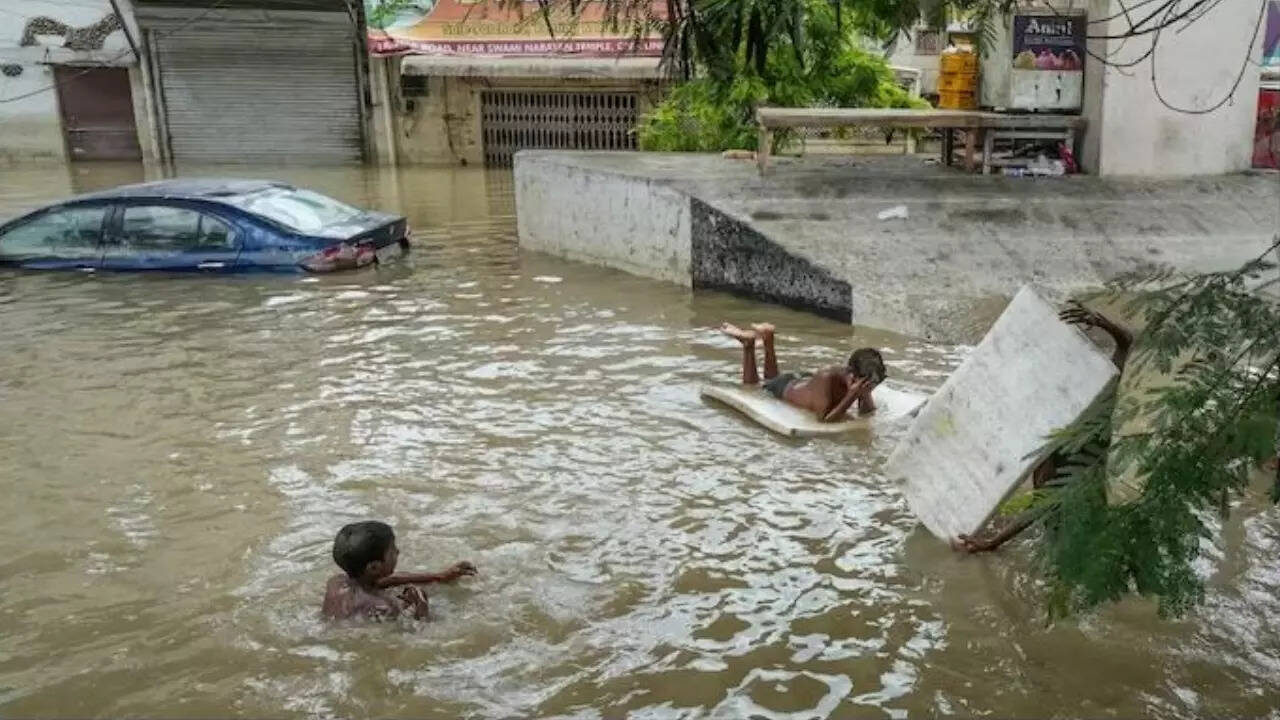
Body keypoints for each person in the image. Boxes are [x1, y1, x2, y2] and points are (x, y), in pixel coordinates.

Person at [952, 301, 1133, 553]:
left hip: (1069, 530)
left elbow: (1040, 505)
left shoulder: (1056, 439)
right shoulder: (1098, 404)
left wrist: (991, 543)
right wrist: (1102, 323)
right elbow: (1126, 342)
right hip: (1093, 509)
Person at [719, 321, 886, 422]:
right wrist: (851, 396)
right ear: (852, 375)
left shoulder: (853, 379)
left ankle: (768, 338)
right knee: (757, 387)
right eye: (867, 385)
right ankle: (749, 347)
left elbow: (867, 413)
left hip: (802, 381)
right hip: (785, 387)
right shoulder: (828, 378)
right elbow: (825, 420)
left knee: (773, 378)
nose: (869, 389)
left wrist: (864, 394)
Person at [321, 520, 477, 621]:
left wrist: (441, 576)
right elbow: (417, 637)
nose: (398, 552)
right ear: (374, 567)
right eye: (392, 551)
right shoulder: (383, 606)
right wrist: (422, 606)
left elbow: (389, 580)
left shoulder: (336, 582)